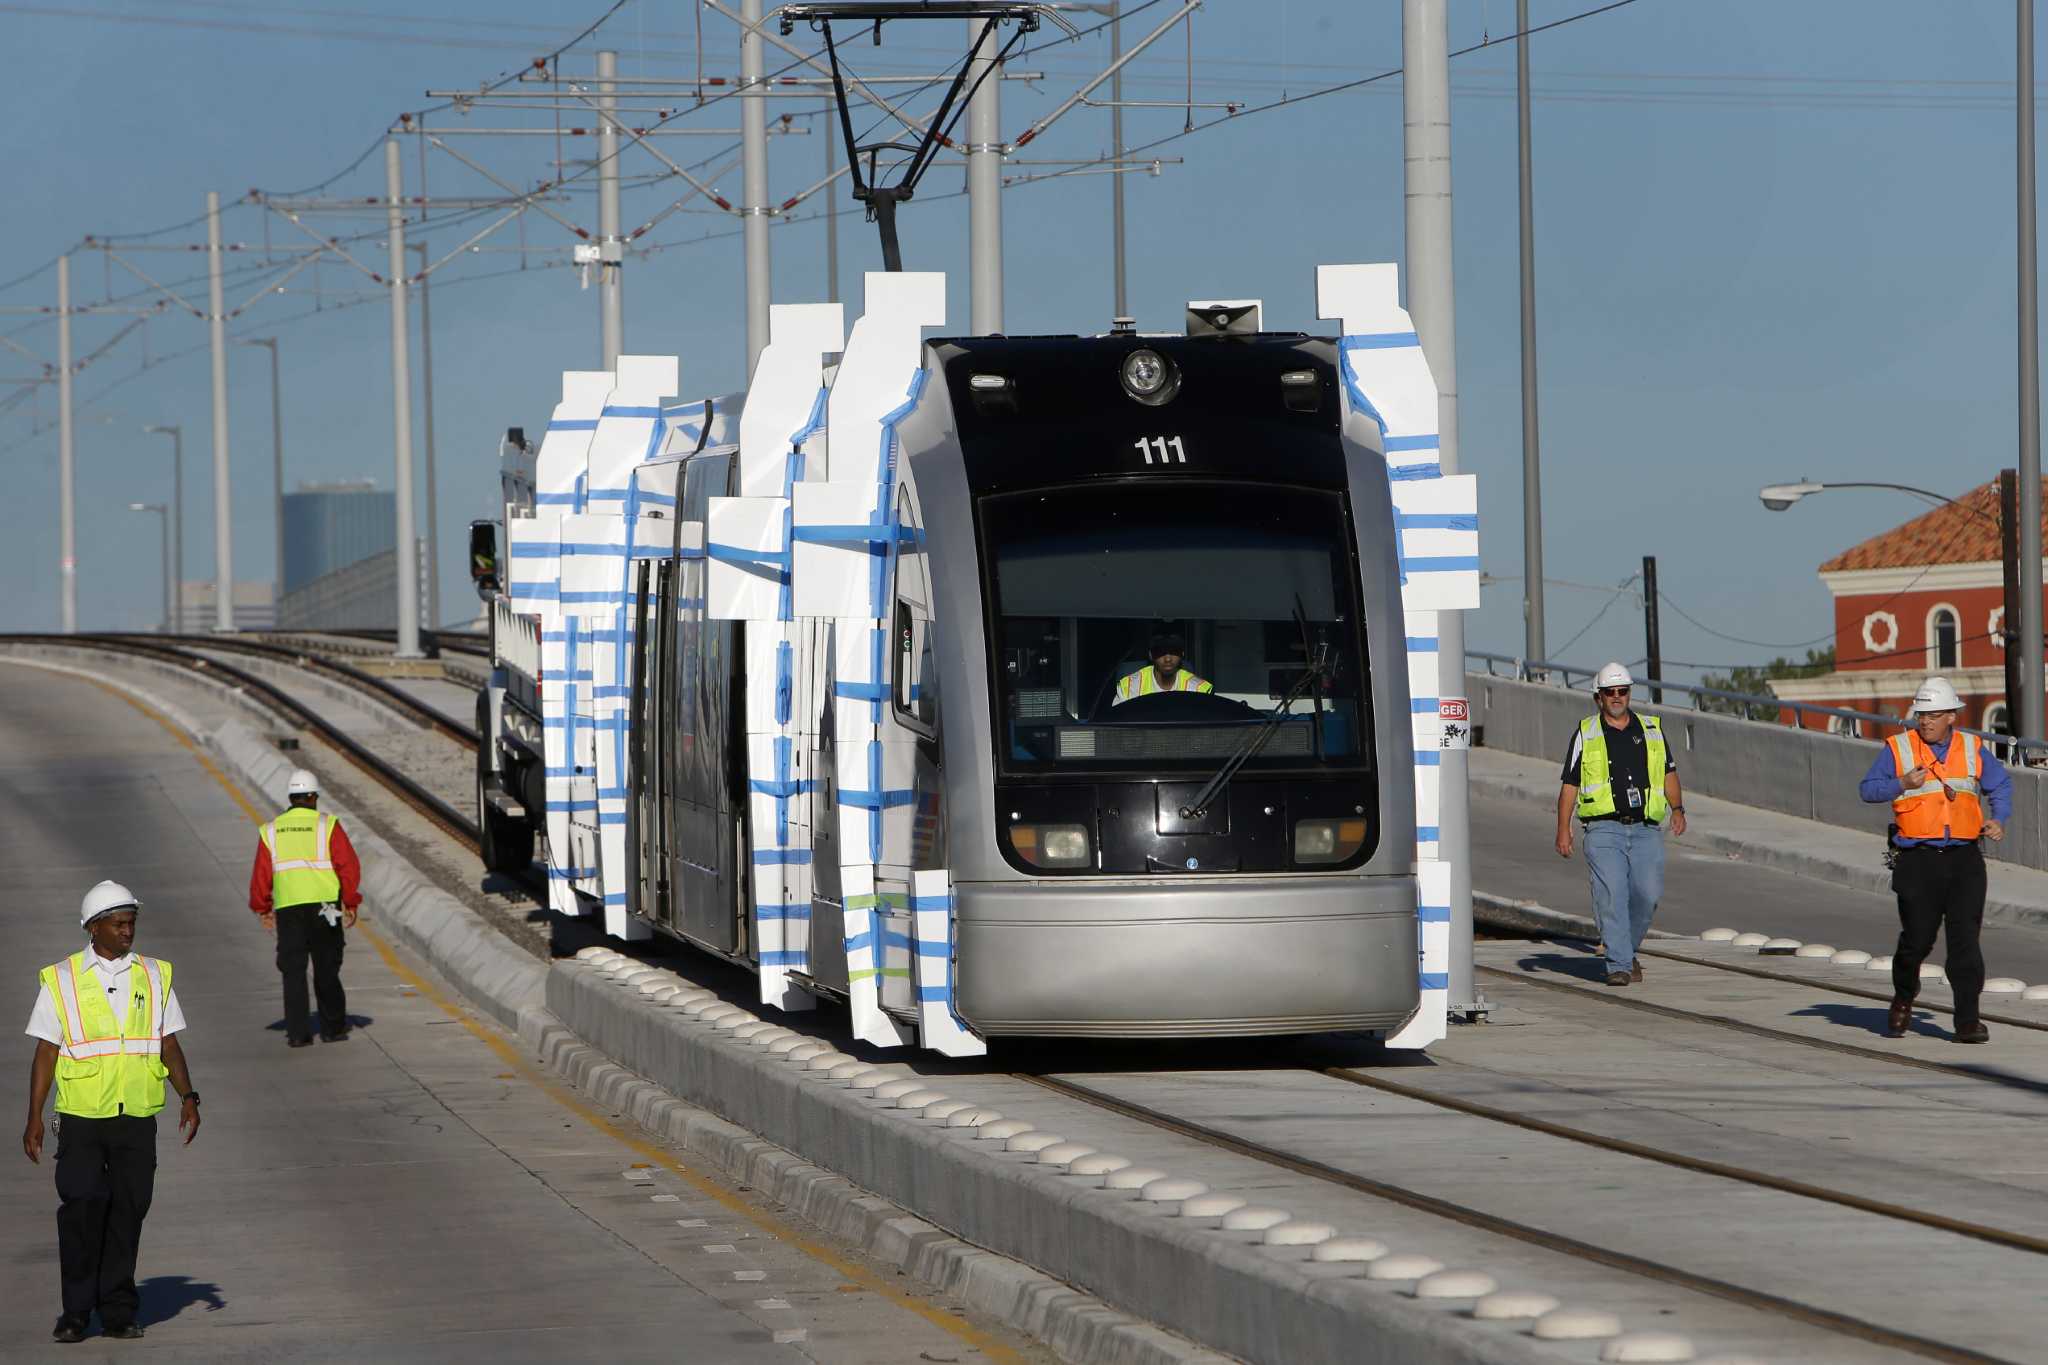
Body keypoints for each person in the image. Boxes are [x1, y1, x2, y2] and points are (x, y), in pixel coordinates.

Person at [22, 880, 200, 1344]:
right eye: (119, 924)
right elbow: (45, 1051)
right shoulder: (61, 980)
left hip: (136, 1117)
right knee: (81, 1208)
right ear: (93, 927)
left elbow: (169, 1042)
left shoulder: (155, 975)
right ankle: (76, 1313)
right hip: (81, 1116)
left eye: (132, 923)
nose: (128, 932)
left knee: (128, 1210)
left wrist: (188, 1096)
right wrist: (35, 1116)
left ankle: (118, 1310)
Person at [1857, 676, 2009, 1044]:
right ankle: (1904, 998)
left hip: (1964, 859)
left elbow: (2000, 784)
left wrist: (1998, 818)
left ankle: (1967, 1020)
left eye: (1934, 715)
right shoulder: (1898, 748)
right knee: (1917, 940)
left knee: (1965, 942)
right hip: (1917, 860)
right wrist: (1901, 784)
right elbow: (1867, 789)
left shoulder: (1974, 748)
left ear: (1952, 717)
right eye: (1921, 714)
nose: (1925, 721)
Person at [1554, 662, 1688, 986]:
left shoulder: (1652, 730)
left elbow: (1669, 773)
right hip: (1602, 829)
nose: (1617, 697)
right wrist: (1563, 828)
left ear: (1629, 693)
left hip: (1645, 827)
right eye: (1610, 692)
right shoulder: (1585, 734)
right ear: (1598, 697)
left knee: (1648, 893)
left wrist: (1678, 809)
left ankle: (1626, 951)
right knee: (1612, 895)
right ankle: (1618, 965)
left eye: (1622, 691)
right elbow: (1569, 785)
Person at [248, 768, 362, 1046]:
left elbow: (261, 875)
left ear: (291, 797)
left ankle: (298, 1035)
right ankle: (333, 1028)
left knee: (293, 971)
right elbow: (348, 866)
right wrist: (350, 901)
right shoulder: (328, 825)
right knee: (327, 968)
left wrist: (262, 908)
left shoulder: (271, 831)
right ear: (313, 797)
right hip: (326, 907)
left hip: (289, 910)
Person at [1113, 633, 1214, 705]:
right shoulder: (1129, 687)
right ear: (1151, 655)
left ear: (1182, 654)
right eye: (1161, 652)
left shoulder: (1199, 689)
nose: (1168, 659)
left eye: (1174, 652)